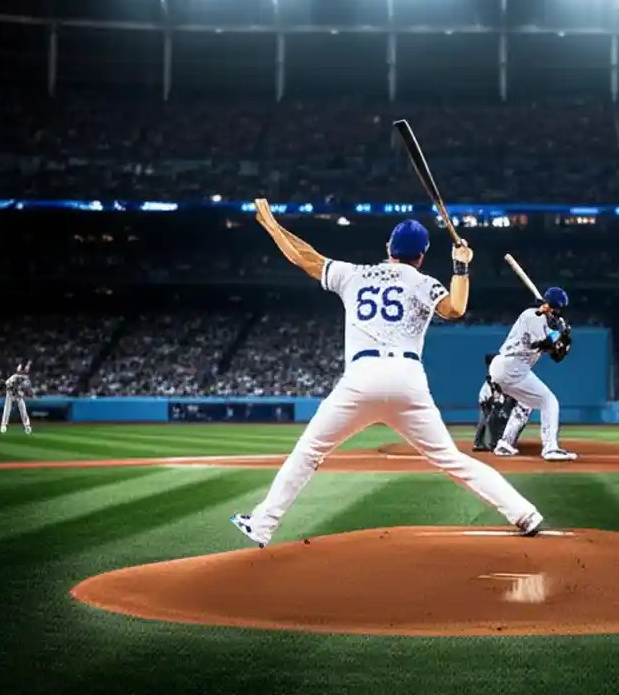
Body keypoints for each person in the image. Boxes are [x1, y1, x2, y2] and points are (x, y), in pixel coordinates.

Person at [230, 206, 545, 548]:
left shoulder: (354, 274)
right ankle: (524, 513)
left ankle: (263, 524)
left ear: (388, 248)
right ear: (421, 256)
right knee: (452, 459)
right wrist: (461, 266)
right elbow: (456, 308)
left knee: (308, 452)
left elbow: (304, 257)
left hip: (361, 378)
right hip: (408, 378)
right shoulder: (424, 282)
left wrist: (273, 226)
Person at [487, 287, 577, 461]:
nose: (558, 313)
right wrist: (559, 335)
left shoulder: (545, 323)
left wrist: (564, 340)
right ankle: (550, 448)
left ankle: (505, 443)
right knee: (549, 401)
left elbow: (557, 357)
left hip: (510, 369)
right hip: (511, 365)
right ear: (550, 306)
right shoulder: (532, 316)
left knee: (526, 403)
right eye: (557, 309)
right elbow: (543, 344)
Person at [474, 352, 526, 452]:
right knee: (486, 420)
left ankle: (489, 442)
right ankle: (483, 443)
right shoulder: (494, 375)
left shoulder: (499, 373)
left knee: (491, 420)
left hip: (495, 399)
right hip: (488, 399)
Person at [0, 361, 33, 434]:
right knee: (7, 409)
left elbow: (29, 391)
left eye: (24, 373)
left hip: (19, 394)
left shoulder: (26, 380)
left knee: (23, 408)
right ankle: (4, 425)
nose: (23, 374)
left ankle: (27, 425)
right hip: (10, 393)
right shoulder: (13, 378)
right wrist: (14, 391)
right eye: (22, 373)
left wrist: (28, 394)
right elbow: (7, 386)